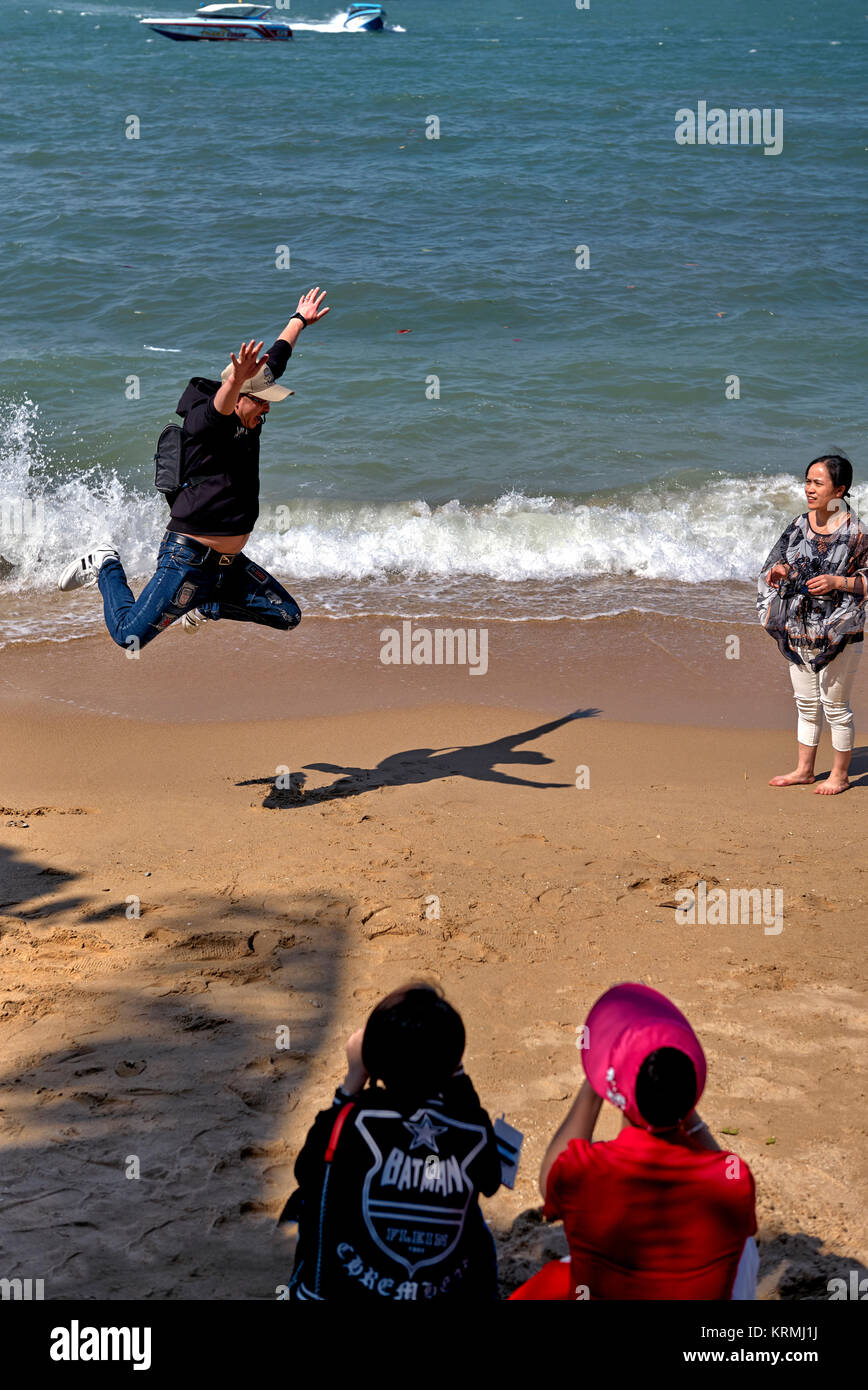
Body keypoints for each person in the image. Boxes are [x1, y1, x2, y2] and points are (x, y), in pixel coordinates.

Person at [57, 288, 330, 653]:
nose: (267, 410)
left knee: (286, 615)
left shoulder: (251, 419)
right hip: (187, 561)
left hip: (228, 566)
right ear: (240, 397)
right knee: (129, 637)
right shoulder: (205, 425)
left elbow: (276, 359)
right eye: (262, 402)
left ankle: (205, 605)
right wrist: (234, 381)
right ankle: (104, 562)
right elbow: (220, 407)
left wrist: (298, 320)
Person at [514, 983, 756, 1301]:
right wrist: (685, 1110)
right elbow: (718, 1161)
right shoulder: (734, 1180)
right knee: (745, 1248)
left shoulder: (585, 1173)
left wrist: (597, 1077)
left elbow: (548, 1183)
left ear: (615, 1088)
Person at [281, 983, 502, 1301]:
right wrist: (458, 1077)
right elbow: (491, 1181)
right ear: (454, 1063)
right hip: (440, 1290)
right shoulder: (471, 1128)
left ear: (371, 1059)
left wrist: (352, 1081)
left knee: (310, 1198)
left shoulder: (349, 1121)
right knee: (475, 1222)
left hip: (350, 1289)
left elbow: (308, 1173)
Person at [758, 454, 868, 794]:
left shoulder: (856, 533)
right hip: (800, 626)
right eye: (807, 481)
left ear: (840, 489)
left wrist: (838, 583)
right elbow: (779, 564)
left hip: (841, 629)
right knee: (805, 702)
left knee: (835, 705)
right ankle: (804, 770)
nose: (809, 488)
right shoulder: (798, 525)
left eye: (817, 483)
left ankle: (839, 774)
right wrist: (780, 572)